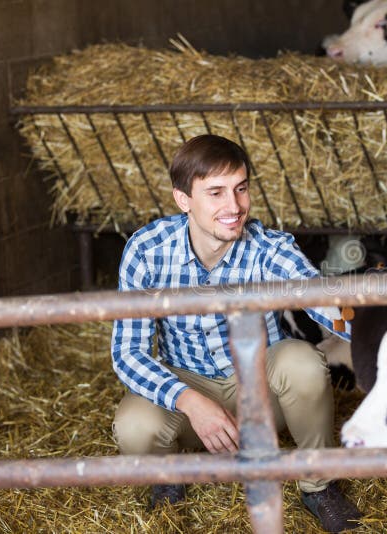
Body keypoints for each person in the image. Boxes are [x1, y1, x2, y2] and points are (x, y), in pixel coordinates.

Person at [110, 134, 362, 532]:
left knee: (302, 362)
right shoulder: (146, 251)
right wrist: (191, 401)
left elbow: (321, 298)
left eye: (241, 189)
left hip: (261, 387)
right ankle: (169, 476)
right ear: (183, 200)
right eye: (216, 193)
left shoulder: (267, 247)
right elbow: (128, 353)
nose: (234, 207)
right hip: (188, 391)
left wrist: (372, 322)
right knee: (133, 427)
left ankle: (320, 485)